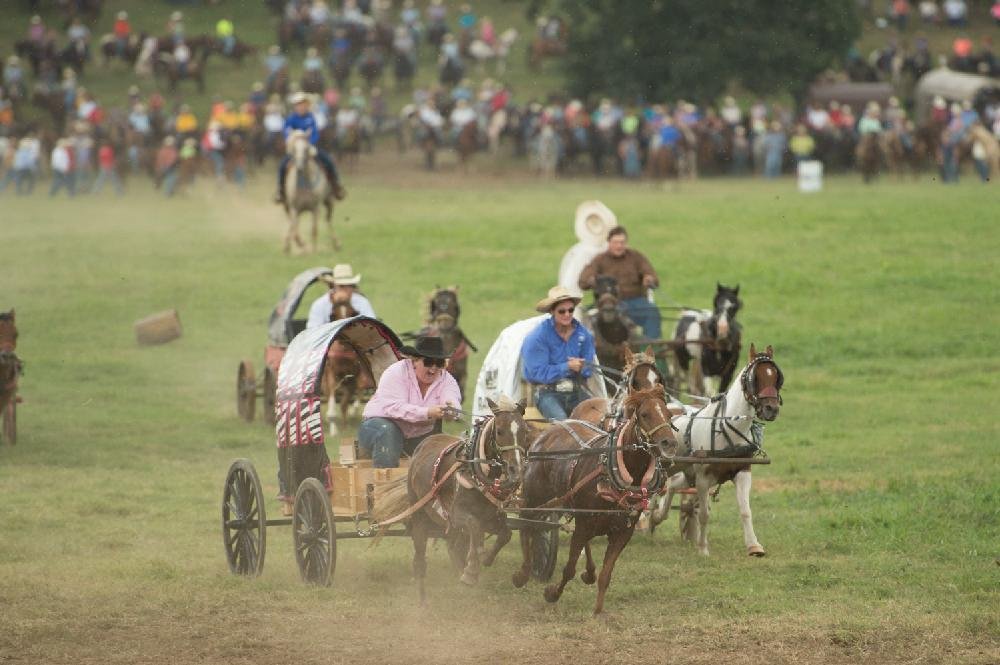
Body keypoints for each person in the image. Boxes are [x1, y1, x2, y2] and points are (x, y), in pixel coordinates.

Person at [358, 335, 462, 468]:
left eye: (439, 363)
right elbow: (394, 408)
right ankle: (383, 484)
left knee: (447, 448)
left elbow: (452, 400)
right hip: (376, 426)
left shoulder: (447, 379)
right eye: (428, 362)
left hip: (418, 434)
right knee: (388, 432)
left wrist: (451, 410)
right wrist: (427, 412)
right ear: (414, 361)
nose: (434, 368)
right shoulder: (395, 372)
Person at [521, 286, 596, 421]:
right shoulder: (537, 337)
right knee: (564, 425)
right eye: (562, 311)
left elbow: (588, 370)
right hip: (547, 393)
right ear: (552, 311)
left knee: (598, 418)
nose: (567, 314)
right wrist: (567, 366)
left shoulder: (584, 334)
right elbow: (537, 373)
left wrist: (582, 367)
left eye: (570, 310)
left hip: (577, 391)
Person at [578, 225, 662, 339]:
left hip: (637, 302)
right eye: (616, 242)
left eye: (622, 242)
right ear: (609, 242)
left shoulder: (636, 257)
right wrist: (591, 280)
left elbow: (653, 277)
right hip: (610, 303)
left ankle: (651, 347)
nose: (619, 246)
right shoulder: (599, 260)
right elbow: (583, 281)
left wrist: (649, 279)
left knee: (652, 312)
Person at [275, 91, 345, 203]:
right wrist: (293, 142)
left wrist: (309, 143)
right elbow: (286, 132)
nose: (301, 107)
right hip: (295, 149)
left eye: (303, 104)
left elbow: (315, 134)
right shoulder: (291, 118)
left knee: (328, 161)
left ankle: (335, 186)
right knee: (283, 165)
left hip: (309, 147)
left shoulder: (310, 118)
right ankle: (281, 191)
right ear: (295, 106)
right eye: (299, 104)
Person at [306, 264, 375, 329]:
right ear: (334, 286)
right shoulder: (320, 305)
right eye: (342, 286)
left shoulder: (361, 302)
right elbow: (312, 331)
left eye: (350, 285)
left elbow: (373, 326)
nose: (346, 290)